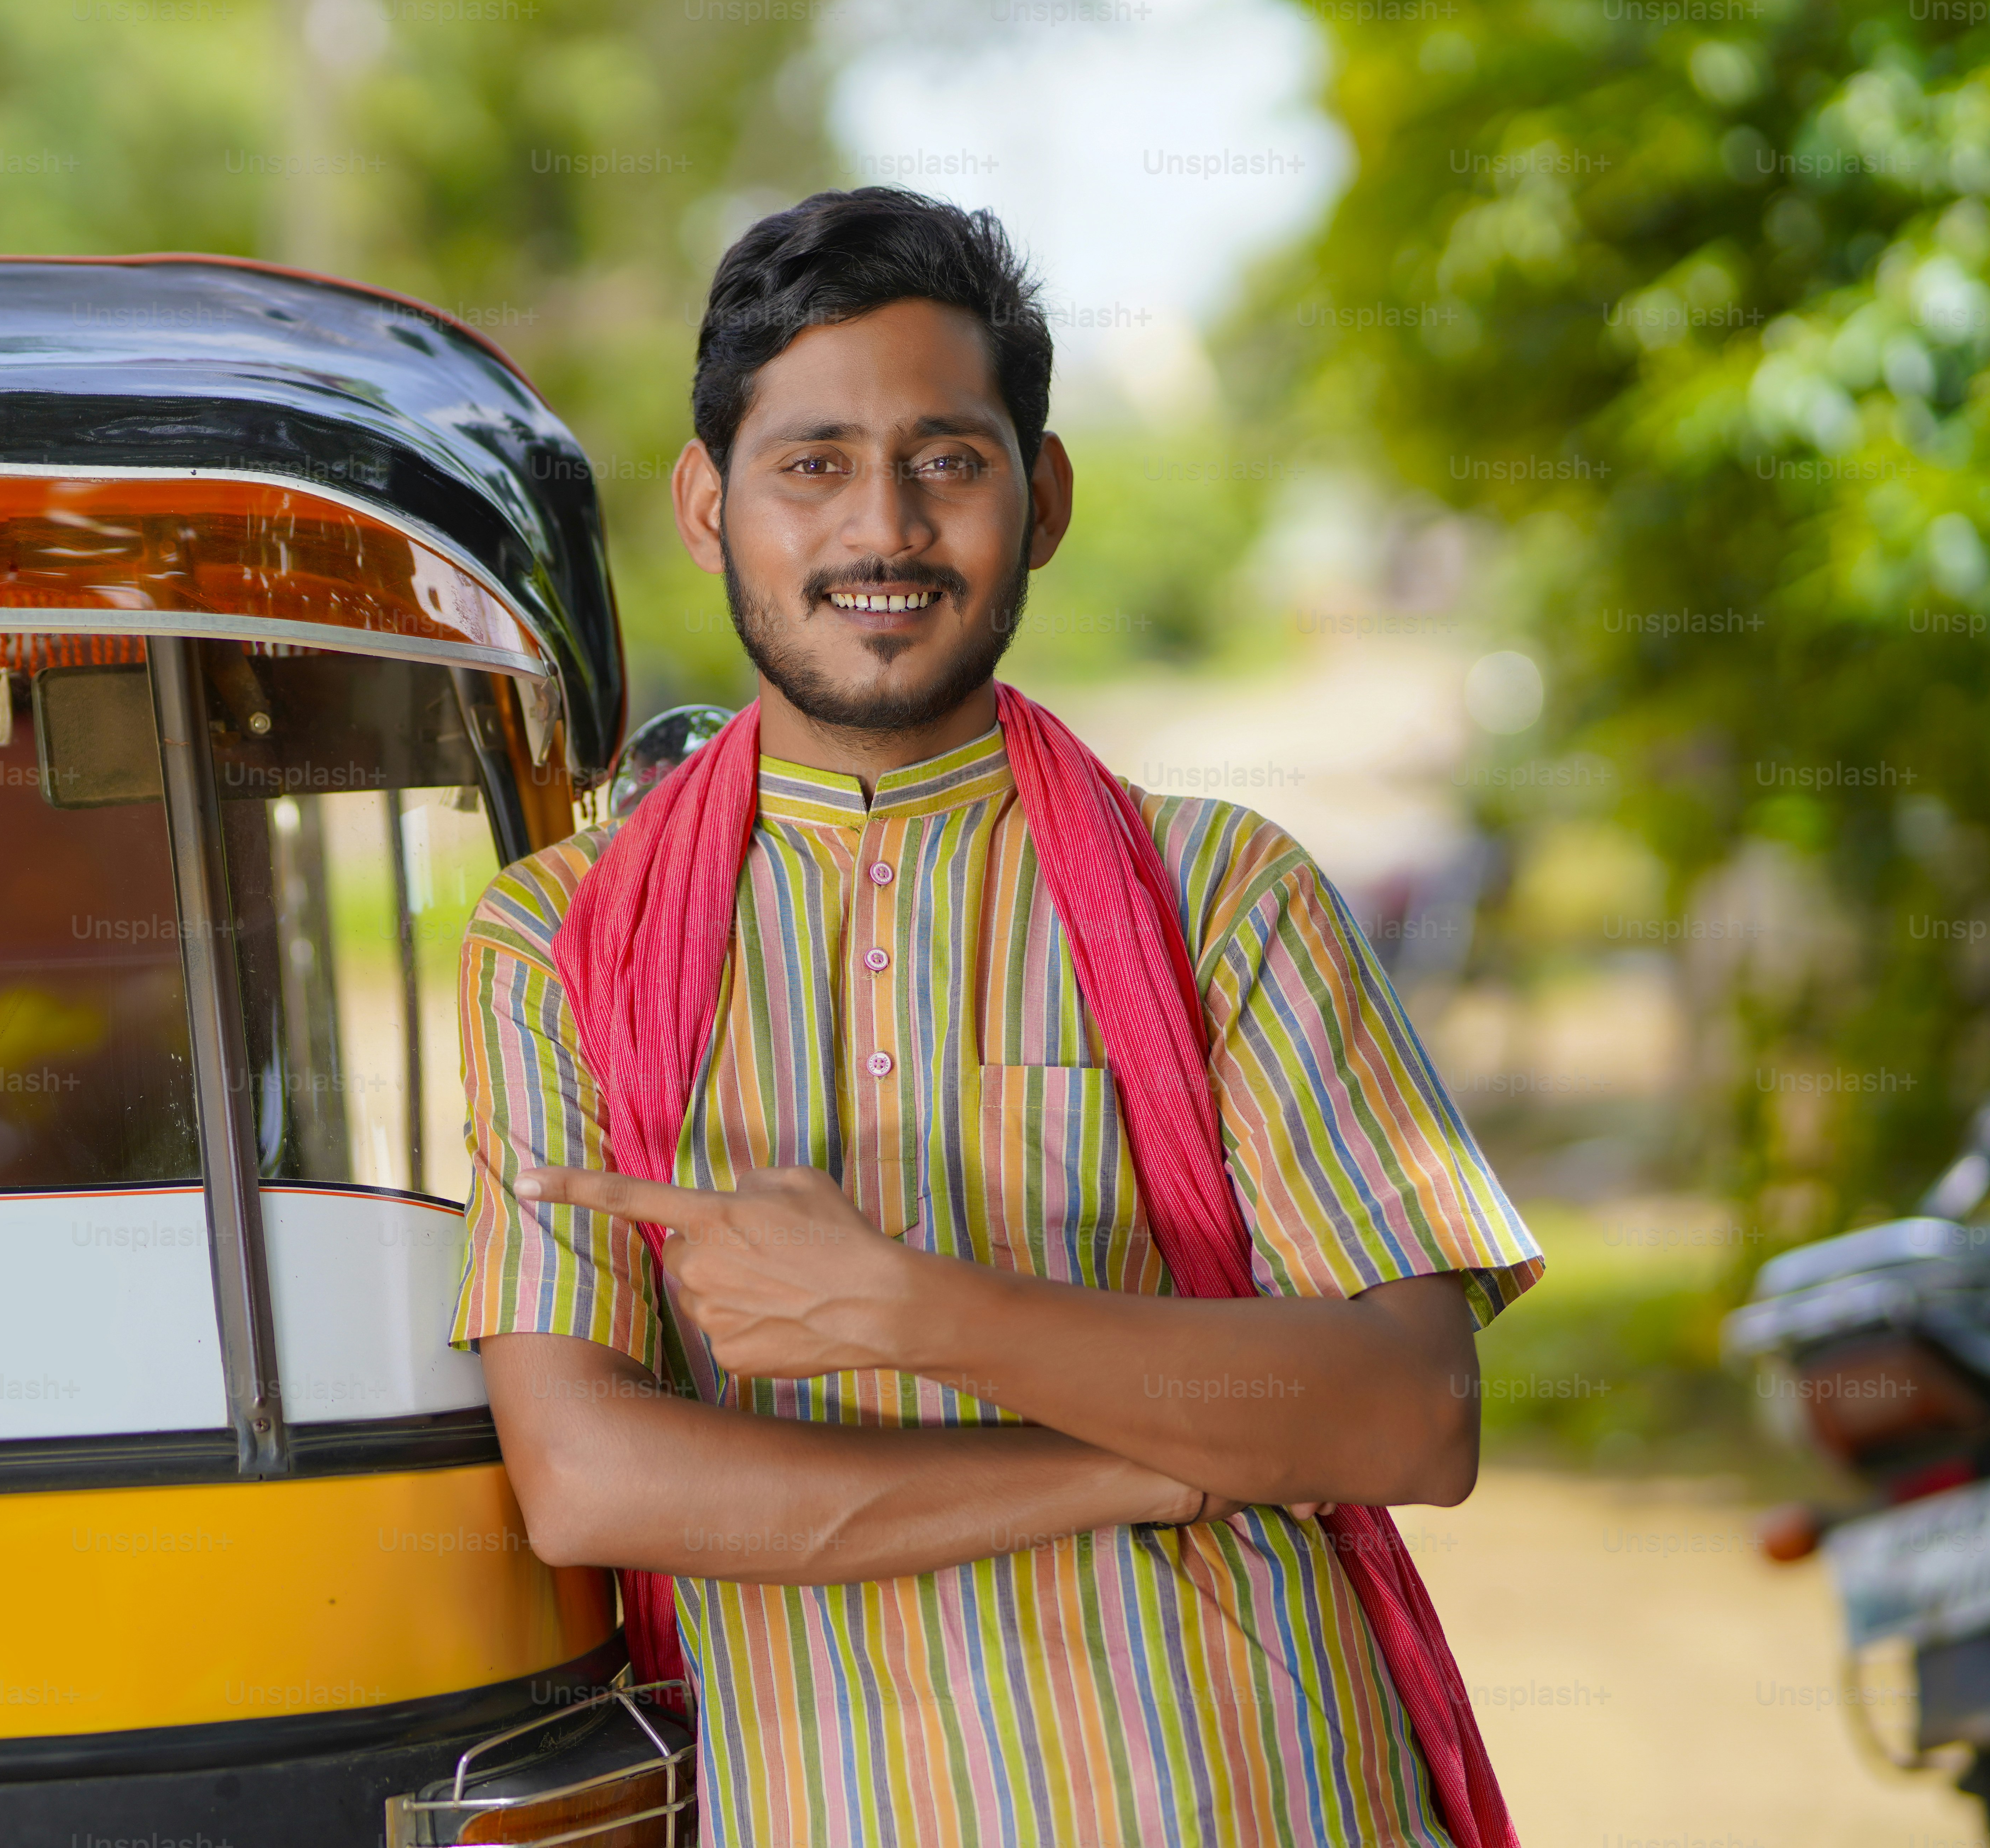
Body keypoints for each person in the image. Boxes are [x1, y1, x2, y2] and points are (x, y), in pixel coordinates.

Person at [450, 187, 1541, 1845]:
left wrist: (906, 1307)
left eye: (946, 460)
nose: (880, 527)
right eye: (811, 464)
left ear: (1042, 498)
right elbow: (593, 1480)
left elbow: (1409, 1414)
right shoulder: (561, 939)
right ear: (705, 504)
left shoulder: (1222, 893)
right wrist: (1152, 1465)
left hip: (1252, 1793)